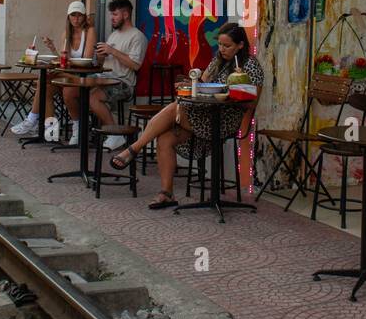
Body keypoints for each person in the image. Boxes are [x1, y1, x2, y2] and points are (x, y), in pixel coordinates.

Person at [110, 22, 263, 210]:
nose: (222, 49)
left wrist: (236, 92)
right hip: (203, 114)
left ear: (240, 45)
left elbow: (252, 103)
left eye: (227, 46)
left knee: (176, 107)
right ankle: (167, 194)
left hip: (225, 119)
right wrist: (189, 85)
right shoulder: (218, 61)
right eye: (220, 45)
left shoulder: (251, 66)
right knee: (165, 139)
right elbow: (202, 84)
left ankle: (134, 149)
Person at [10, 0, 95, 140]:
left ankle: (33, 119)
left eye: (79, 15)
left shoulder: (89, 32)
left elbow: (87, 60)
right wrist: (53, 48)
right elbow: (62, 59)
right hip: (69, 75)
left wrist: (63, 66)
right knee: (45, 85)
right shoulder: (66, 34)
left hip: (85, 76)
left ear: (85, 17)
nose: (76, 18)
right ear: (68, 17)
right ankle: (50, 131)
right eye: (73, 15)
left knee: (55, 84)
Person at [90, 0, 147, 149]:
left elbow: (135, 65)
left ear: (126, 15)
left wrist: (112, 51)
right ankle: (84, 132)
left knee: (93, 97)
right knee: (74, 90)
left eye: (115, 14)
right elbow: (105, 63)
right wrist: (101, 56)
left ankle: (115, 135)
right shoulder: (113, 35)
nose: (111, 18)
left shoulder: (137, 36)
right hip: (105, 79)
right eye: (111, 14)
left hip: (124, 84)